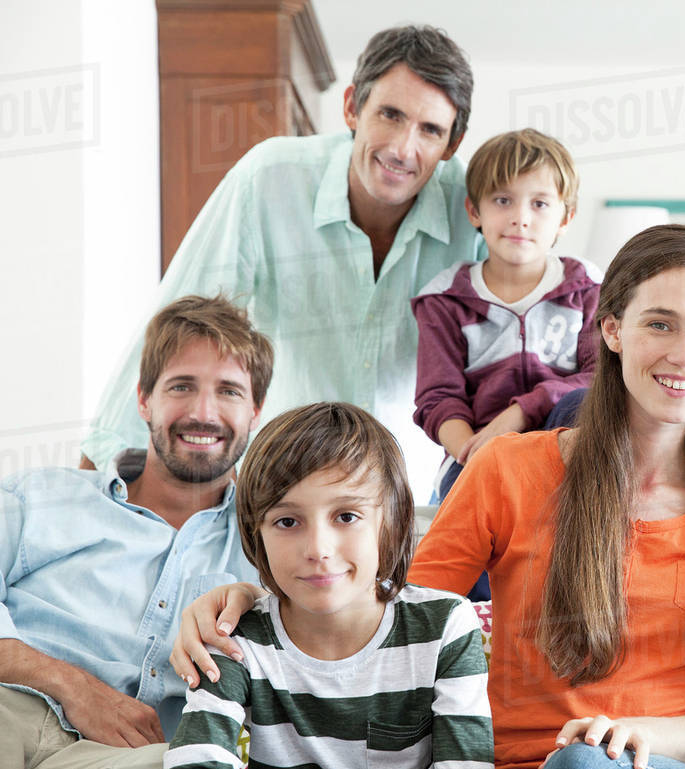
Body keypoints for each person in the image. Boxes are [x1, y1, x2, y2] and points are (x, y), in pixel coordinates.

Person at [170, 224, 685, 769]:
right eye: (660, 323)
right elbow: (394, 615)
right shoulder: (508, 470)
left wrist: (622, 735)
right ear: (613, 330)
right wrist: (256, 601)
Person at [80, 25, 484, 476]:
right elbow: (180, 316)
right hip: (280, 484)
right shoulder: (270, 178)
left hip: (414, 492)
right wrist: (98, 463)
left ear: (452, 144)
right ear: (352, 107)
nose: (402, 149)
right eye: (390, 114)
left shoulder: (478, 209)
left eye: (430, 130)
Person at [0, 295, 272, 769]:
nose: (203, 412)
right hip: (10, 706)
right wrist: (71, 685)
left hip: (124, 763)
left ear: (255, 410)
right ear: (144, 400)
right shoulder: (41, 496)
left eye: (229, 391)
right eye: (182, 386)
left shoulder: (271, 550)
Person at [156, 402, 492, 769]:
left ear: (392, 521)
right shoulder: (235, 640)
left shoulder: (445, 626)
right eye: (287, 521)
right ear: (255, 532)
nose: (318, 549)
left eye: (346, 516)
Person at [411, 128, 599, 503]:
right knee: (470, 519)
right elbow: (438, 398)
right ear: (474, 211)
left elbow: (600, 377)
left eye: (540, 204)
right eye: (502, 200)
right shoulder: (445, 299)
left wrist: (521, 413)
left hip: (564, 457)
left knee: (581, 402)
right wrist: (477, 455)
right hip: (475, 456)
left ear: (566, 217)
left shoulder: (587, 288)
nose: (520, 218)